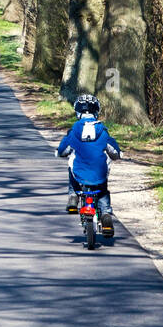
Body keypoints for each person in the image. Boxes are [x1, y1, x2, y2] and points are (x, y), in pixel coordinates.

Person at [55, 94, 121, 231]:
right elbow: (113, 150)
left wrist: (59, 152)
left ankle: (73, 195)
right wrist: (118, 155)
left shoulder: (74, 130)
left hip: (79, 172)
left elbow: (63, 150)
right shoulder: (102, 130)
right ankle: (106, 212)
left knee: (71, 164)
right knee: (102, 190)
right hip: (99, 172)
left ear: (77, 112)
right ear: (96, 111)